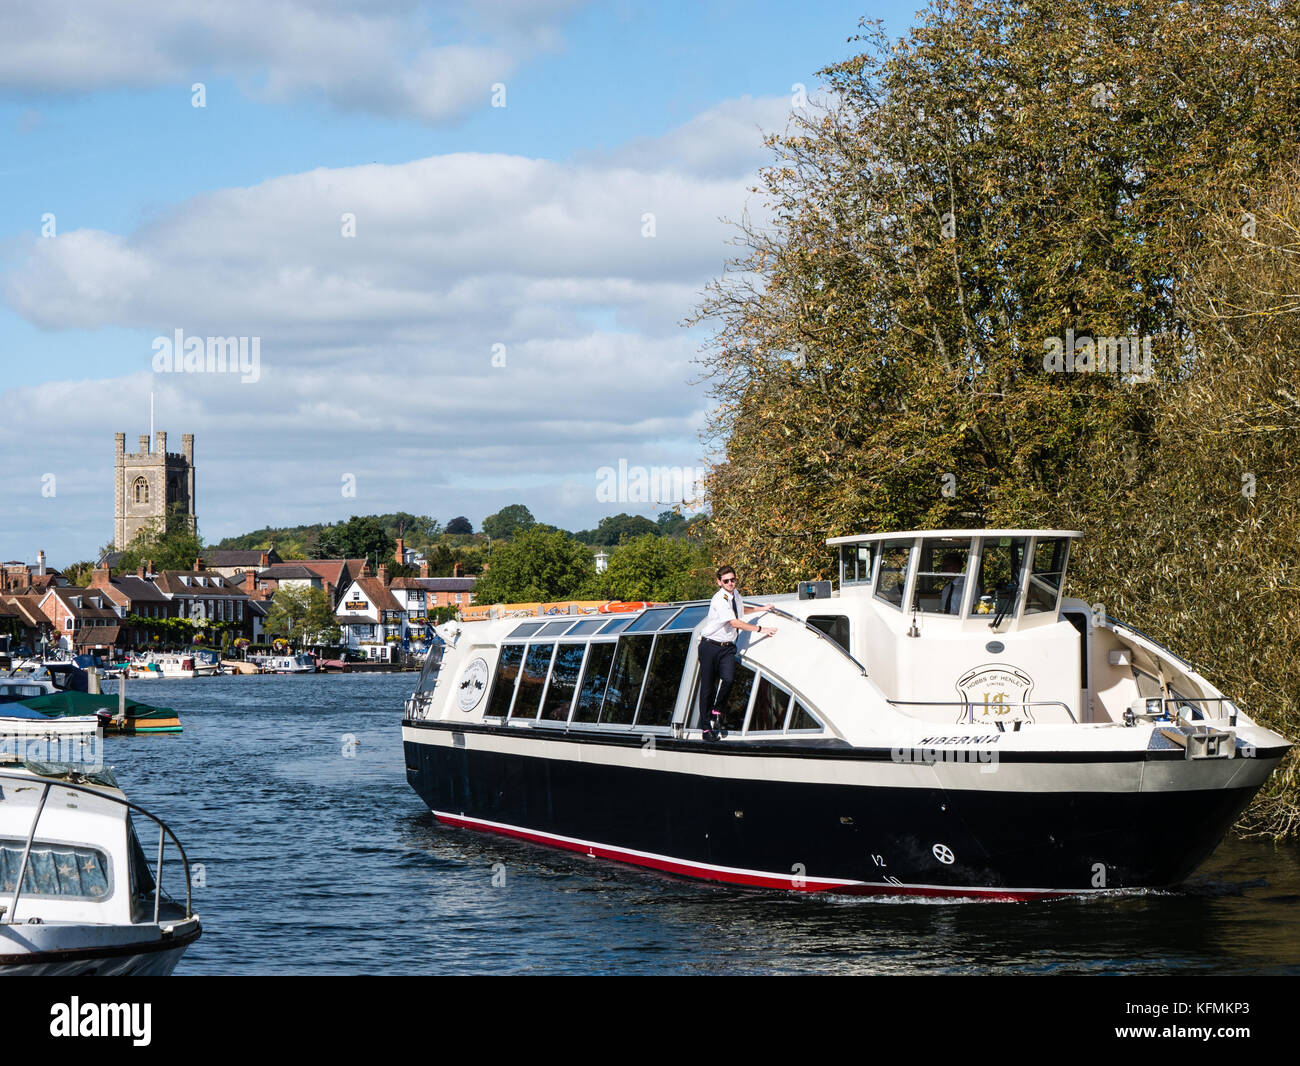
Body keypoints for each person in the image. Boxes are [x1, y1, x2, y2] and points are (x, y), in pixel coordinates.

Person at [697, 565, 776, 740]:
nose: (730, 583)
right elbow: (734, 622)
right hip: (710, 646)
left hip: (726, 647)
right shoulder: (719, 599)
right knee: (707, 688)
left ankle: (717, 711)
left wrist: (761, 609)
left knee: (729, 679)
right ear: (719, 582)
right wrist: (761, 629)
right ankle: (705, 729)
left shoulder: (736, 594)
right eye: (726, 581)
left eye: (733, 580)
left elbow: (740, 611)